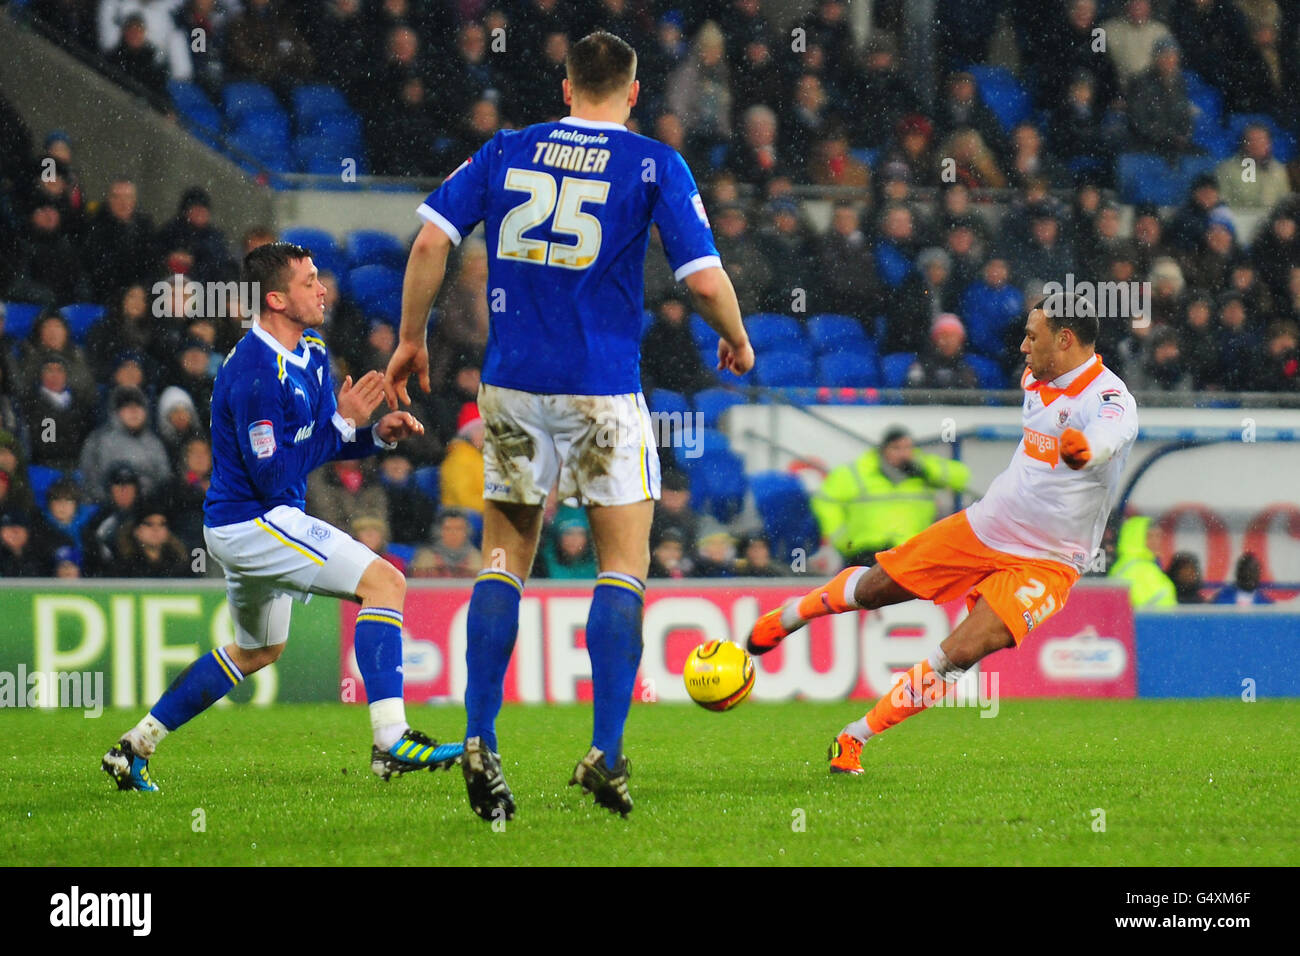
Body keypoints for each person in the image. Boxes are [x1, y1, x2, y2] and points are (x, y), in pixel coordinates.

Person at [385, 31, 753, 820]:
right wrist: (738, 333)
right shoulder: (653, 162)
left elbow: (427, 240)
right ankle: (605, 752)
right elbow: (700, 277)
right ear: (631, 92)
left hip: (512, 384)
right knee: (622, 566)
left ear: (564, 88)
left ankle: (480, 733)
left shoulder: (506, 150)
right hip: (601, 390)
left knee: (502, 558)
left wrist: (411, 337)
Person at [102, 242, 462, 793]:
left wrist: (370, 436)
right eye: (309, 280)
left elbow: (318, 445)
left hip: (253, 522)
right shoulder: (251, 373)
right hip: (253, 520)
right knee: (386, 582)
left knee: (258, 649)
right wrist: (343, 424)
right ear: (276, 298)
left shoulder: (313, 352)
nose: (324, 289)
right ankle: (391, 740)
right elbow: (275, 478)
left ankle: (134, 746)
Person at [748, 293, 1138, 774]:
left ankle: (854, 738)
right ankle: (788, 616)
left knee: (962, 652)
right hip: (987, 524)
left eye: (1032, 337)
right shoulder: (1037, 379)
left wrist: (1086, 449)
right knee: (874, 589)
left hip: (1050, 558)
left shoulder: (1111, 397)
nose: (1021, 347)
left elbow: (1109, 434)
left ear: (1065, 339)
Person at [812, 425, 970, 567]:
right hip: (864, 552)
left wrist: (926, 469)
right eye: (896, 448)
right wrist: (841, 539)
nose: (904, 454)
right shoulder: (856, 472)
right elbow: (826, 501)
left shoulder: (923, 469)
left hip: (910, 551)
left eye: (908, 447)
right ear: (884, 449)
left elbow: (960, 477)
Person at [1108, 515, 1177, 607]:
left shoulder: (1124, 565)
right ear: (1136, 538)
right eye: (1150, 536)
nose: (1156, 541)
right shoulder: (1141, 568)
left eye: (1158, 536)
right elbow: (1160, 606)